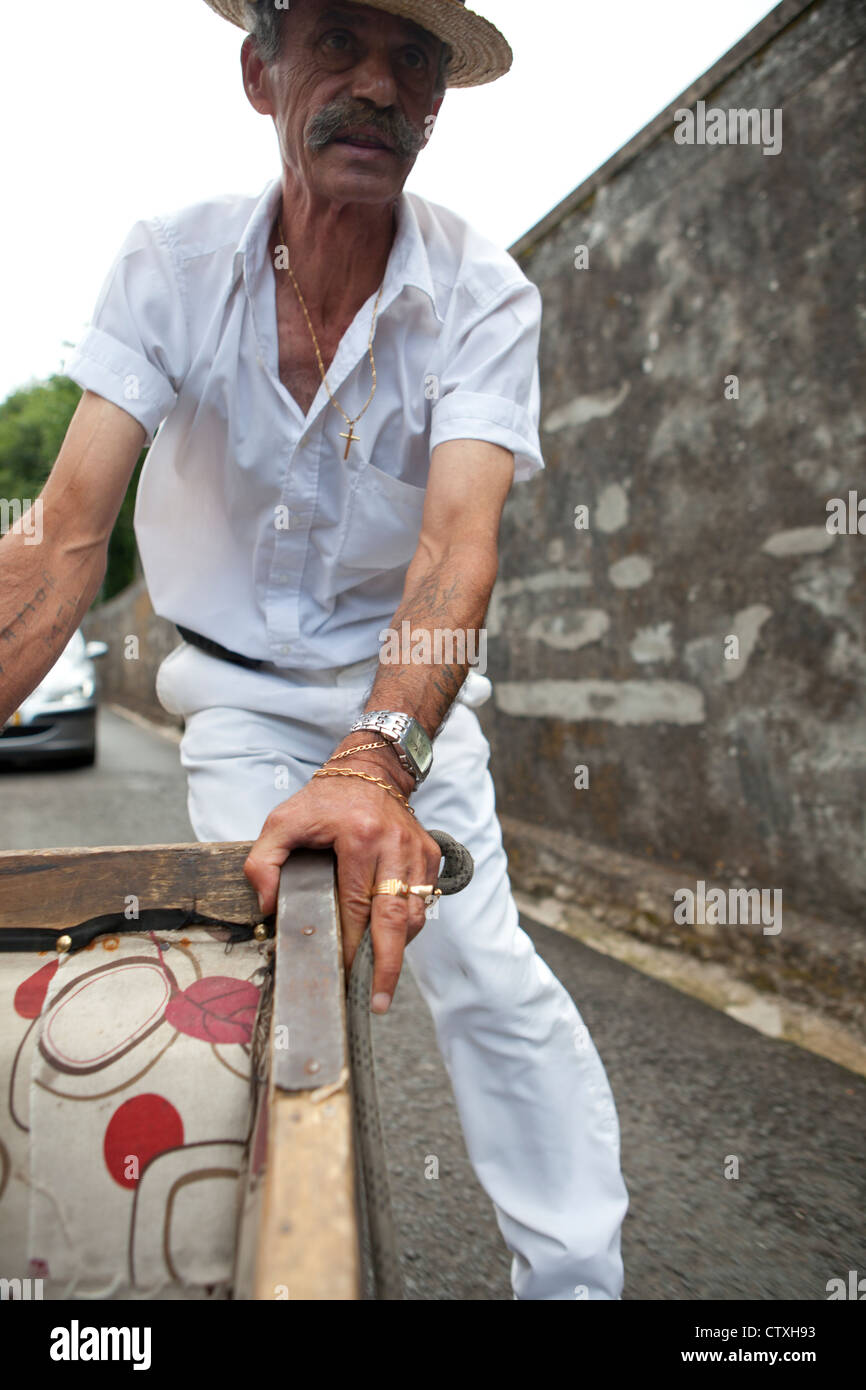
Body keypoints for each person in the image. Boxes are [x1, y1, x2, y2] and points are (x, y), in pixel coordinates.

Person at [0, 0, 628, 1299]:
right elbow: (66, 537)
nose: (376, 83)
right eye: (338, 40)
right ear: (258, 71)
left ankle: (575, 1282)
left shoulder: (479, 292)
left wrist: (375, 754)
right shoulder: (167, 265)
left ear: (437, 106)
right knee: (268, 972)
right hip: (232, 693)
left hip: (401, 703)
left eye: (412, 60)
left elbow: (458, 546)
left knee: (485, 974)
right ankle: (255, 1267)